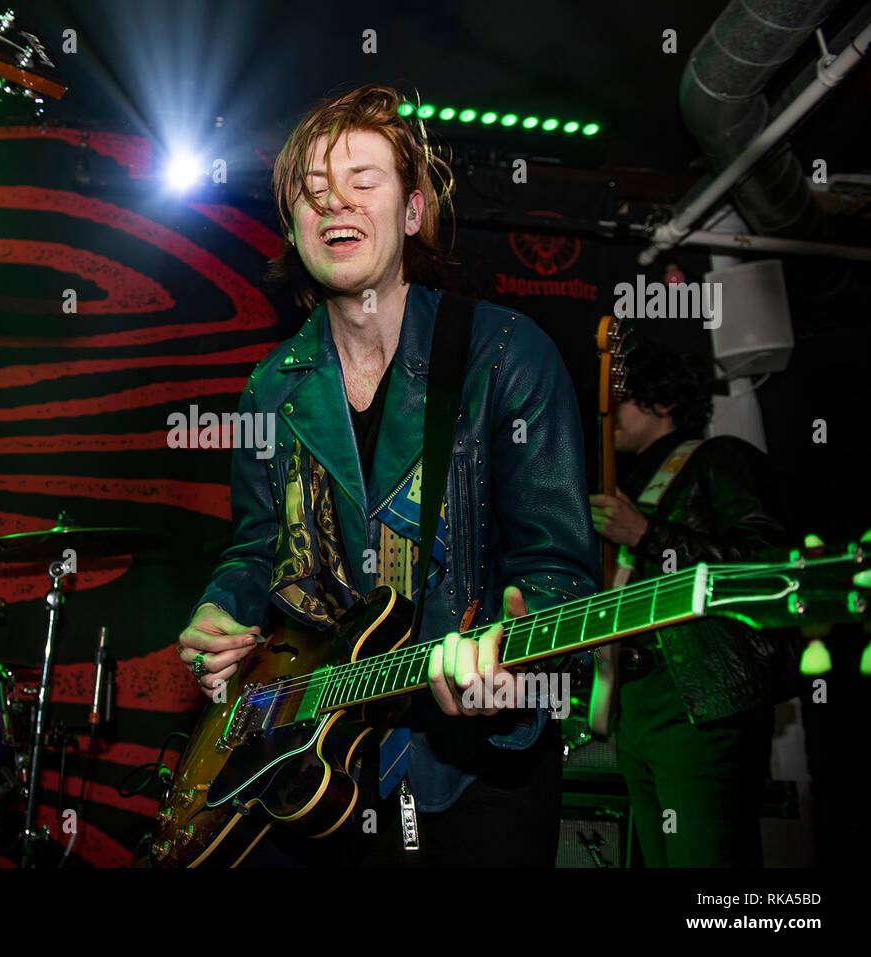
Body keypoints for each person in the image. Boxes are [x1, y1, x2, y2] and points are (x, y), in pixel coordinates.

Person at [175, 84, 598, 866]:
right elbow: (254, 548)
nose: (335, 201)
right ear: (294, 229)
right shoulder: (272, 386)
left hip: (473, 775)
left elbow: (559, 569)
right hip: (314, 767)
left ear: (411, 212)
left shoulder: (504, 353)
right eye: (312, 190)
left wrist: (520, 658)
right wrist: (219, 610)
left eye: (363, 180)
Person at [589, 346, 797, 866]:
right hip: (637, 706)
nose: (610, 414)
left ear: (661, 403)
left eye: (623, 400)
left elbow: (766, 567)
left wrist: (646, 533)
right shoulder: (632, 481)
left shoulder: (719, 458)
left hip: (702, 699)